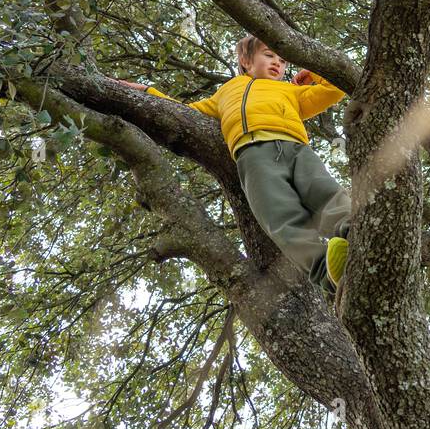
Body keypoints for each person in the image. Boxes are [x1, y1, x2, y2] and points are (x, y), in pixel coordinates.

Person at [112, 35, 351, 298]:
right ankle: (329, 273)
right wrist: (146, 91)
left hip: (296, 148)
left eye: (283, 61)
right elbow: (181, 111)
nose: (277, 63)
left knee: (323, 191)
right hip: (253, 156)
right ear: (246, 61)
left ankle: (355, 229)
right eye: (269, 55)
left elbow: (334, 90)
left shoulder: (291, 91)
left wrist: (313, 73)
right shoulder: (225, 92)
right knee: (281, 218)